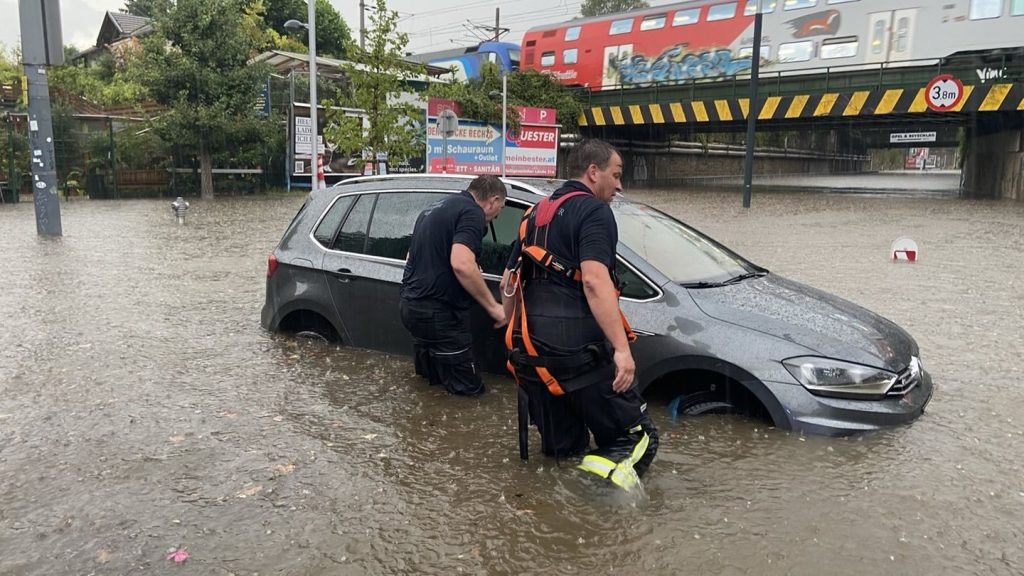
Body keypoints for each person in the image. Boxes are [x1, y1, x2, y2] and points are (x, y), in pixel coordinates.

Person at [501, 139, 658, 492]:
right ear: (593, 172)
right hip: (577, 351)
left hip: (529, 355)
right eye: (616, 175)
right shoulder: (593, 212)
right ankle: (591, 510)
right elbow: (593, 280)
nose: (619, 185)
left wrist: (514, 338)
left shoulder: (531, 214)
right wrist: (621, 348)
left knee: (563, 451)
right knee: (637, 439)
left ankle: (557, 521)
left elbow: (508, 287)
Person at [400, 175, 508, 396]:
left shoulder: (433, 209)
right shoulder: (472, 212)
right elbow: (460, 263)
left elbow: (412, 255)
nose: (497, 215)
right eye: (501, 208)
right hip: (440, 314)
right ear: (493, 201)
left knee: (432, 386)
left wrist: (471, 265)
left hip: (410, 307)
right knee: (469, 394)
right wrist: (494, 308)